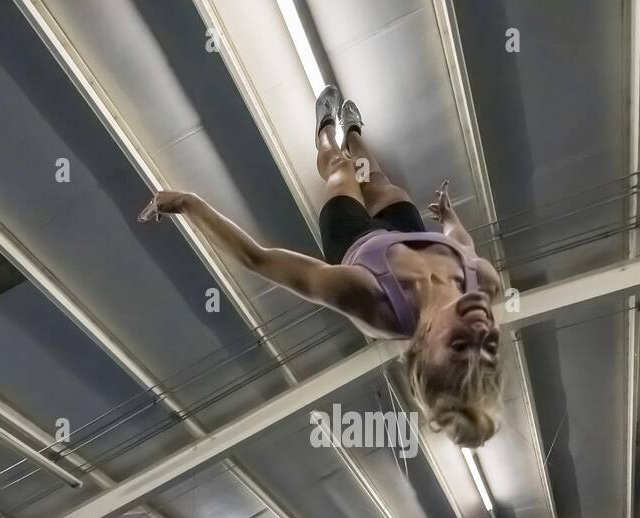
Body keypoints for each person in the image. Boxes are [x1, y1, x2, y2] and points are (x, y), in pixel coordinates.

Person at [141, 85, 503, 447]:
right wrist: (449, 217)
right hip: (410, 232)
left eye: (459, 345)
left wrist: (190, 204)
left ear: (421, 345)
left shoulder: (369, 300)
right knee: (374, 176)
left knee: (342, 168)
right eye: (490, 346)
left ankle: (326, 133)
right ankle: (355, 130)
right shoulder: (483, 281)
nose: (479, 330)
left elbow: (258, 258)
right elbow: (463, 245)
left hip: (355, 240)